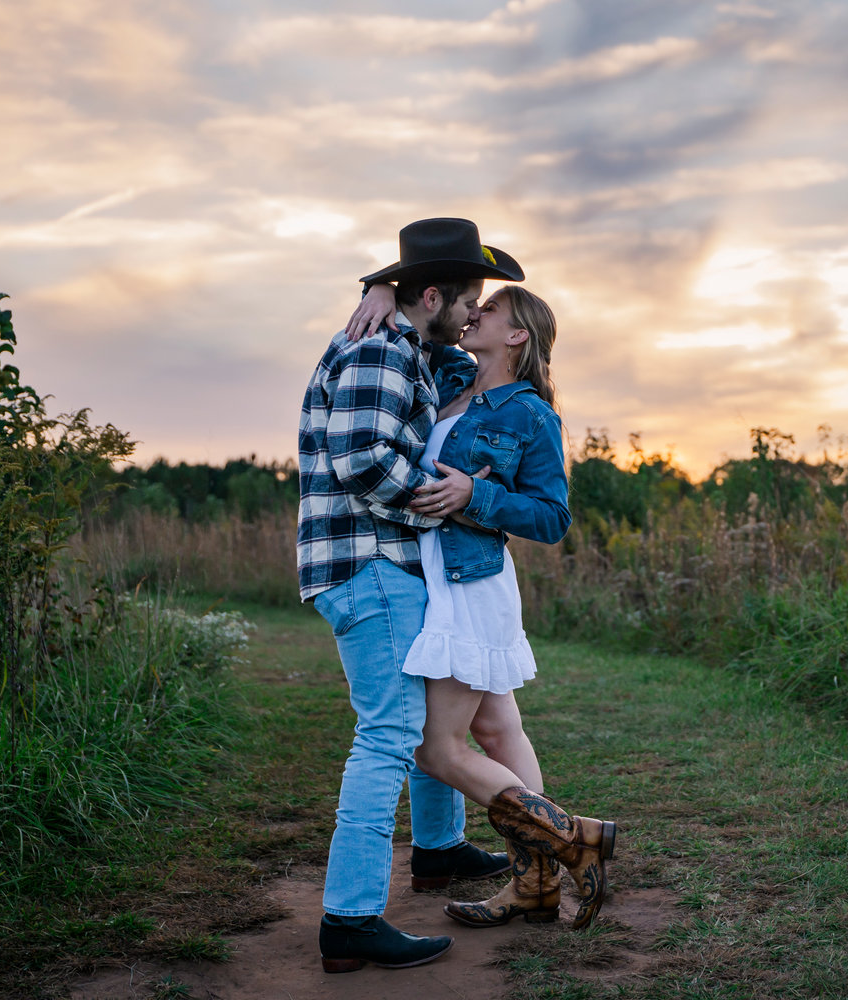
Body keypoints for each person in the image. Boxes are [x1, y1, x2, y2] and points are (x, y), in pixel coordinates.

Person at [349, 279, 617, 932]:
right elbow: (417, 321)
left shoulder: (530, 414)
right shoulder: (445, 378)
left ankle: (571, 840)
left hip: (471, 582)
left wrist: (476, 494)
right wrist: (383, 288)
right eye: (473, 303)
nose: (474, 312)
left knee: (435, 749)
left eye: (489, 308)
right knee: (497, 732)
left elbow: (552, 518)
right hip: (433, 575)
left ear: (517, 334)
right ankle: (537, 886)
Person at [297, 218, 524, 973]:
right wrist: (448, 501)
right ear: (432, 295)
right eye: (468, 301)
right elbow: (361, 458)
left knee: (426, 716)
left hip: (388, 563)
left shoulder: (411, 344)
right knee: (390, 735)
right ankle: (351, 920)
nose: (471, 317)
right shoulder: (379, 347)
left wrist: (376, 286)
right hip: (369, 565)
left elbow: (465, 363)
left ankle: (439, 850)